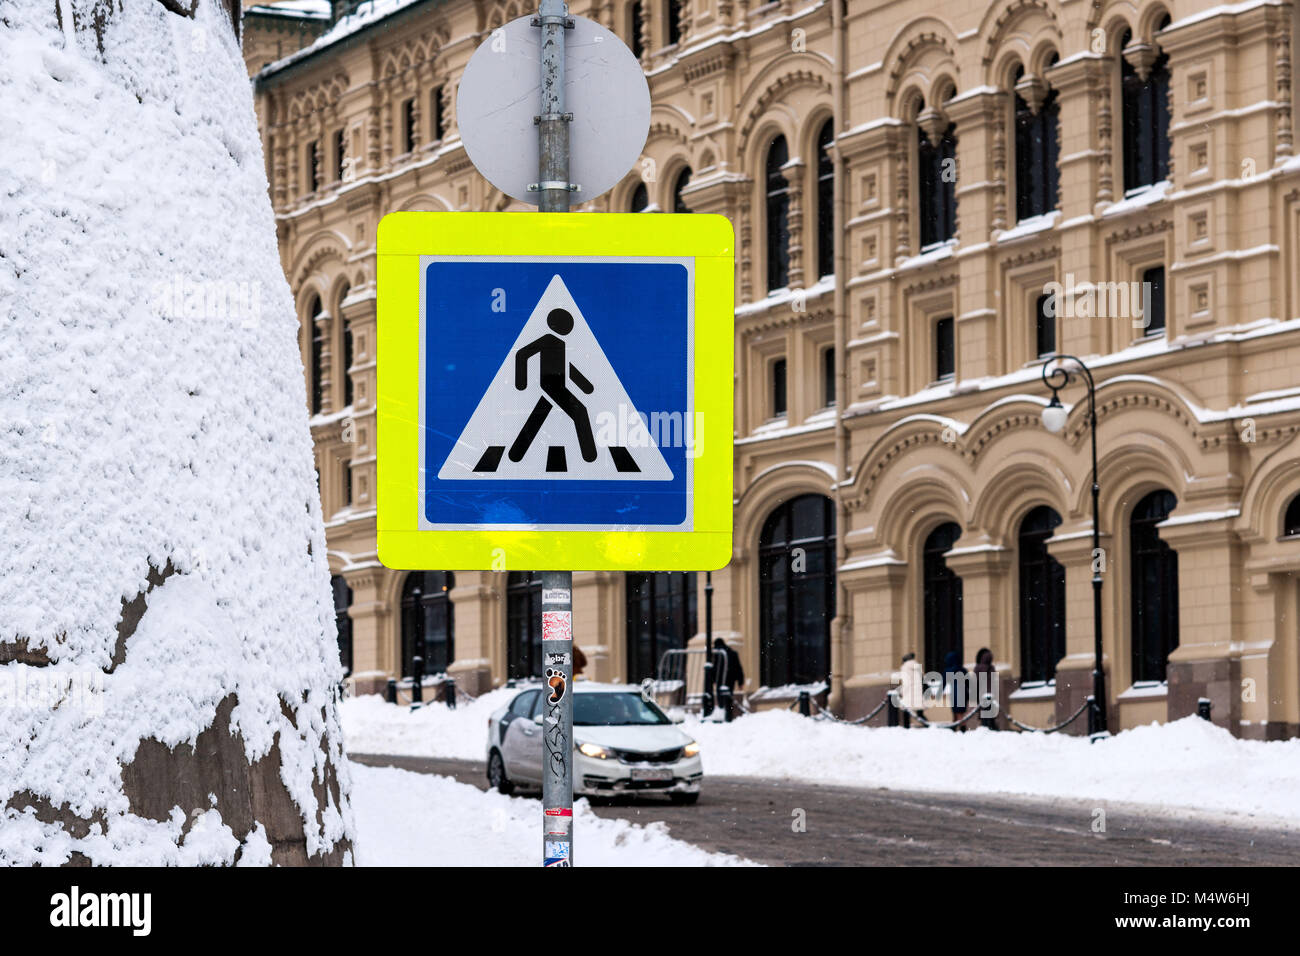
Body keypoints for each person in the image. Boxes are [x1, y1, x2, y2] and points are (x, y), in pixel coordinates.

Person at [713, 639, 744, 720]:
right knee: (729, 698)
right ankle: (728, 716)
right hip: (730, 679)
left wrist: (713, 680)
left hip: (720, 679)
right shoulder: (732, 653)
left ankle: (723, 714)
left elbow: (715, 668)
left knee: (721, 698)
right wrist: (740, 681)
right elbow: (738, 668)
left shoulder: (718, 654)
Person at [941, 650, 970, 732]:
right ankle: (961, 729)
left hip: (954, 693)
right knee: (961, 713)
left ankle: (956, 729)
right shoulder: (963, 670)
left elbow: (943, 683)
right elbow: (969, 683)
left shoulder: (948, 670)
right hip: (963, 692)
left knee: (956, 713)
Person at [896, 652, 925, 728]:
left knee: (906, 711)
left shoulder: (905, 667)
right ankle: (926, 724)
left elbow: (905, 682)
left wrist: (902, 692)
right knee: (919, 712)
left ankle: (906, 727)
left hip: (908, 691)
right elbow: (922, 678)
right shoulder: (917, 665)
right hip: (918, 691)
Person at [973, 647, 998, 730]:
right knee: (991, 715)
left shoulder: (977, 668)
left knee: (983, 715)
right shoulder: (992, 668)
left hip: (982, 694)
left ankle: (985, 730)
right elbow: (994, 682)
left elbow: (975, 683)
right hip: (991, 694)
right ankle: (992, 730)